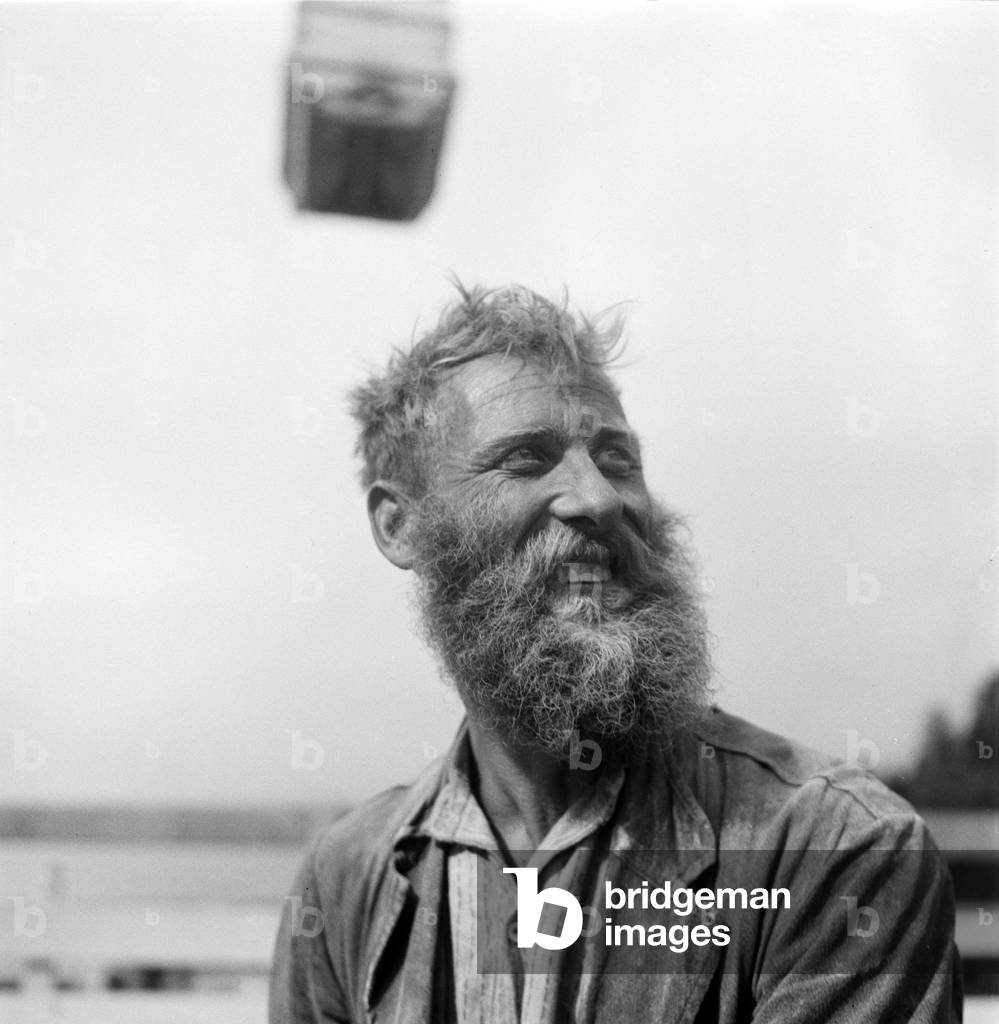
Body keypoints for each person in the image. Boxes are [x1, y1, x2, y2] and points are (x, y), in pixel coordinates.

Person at [269, 284, 961, 1023]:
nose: (598, 499)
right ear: (401, 527)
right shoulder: (349, 879)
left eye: (616, 458)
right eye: (527, 459)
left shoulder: (833, 851)